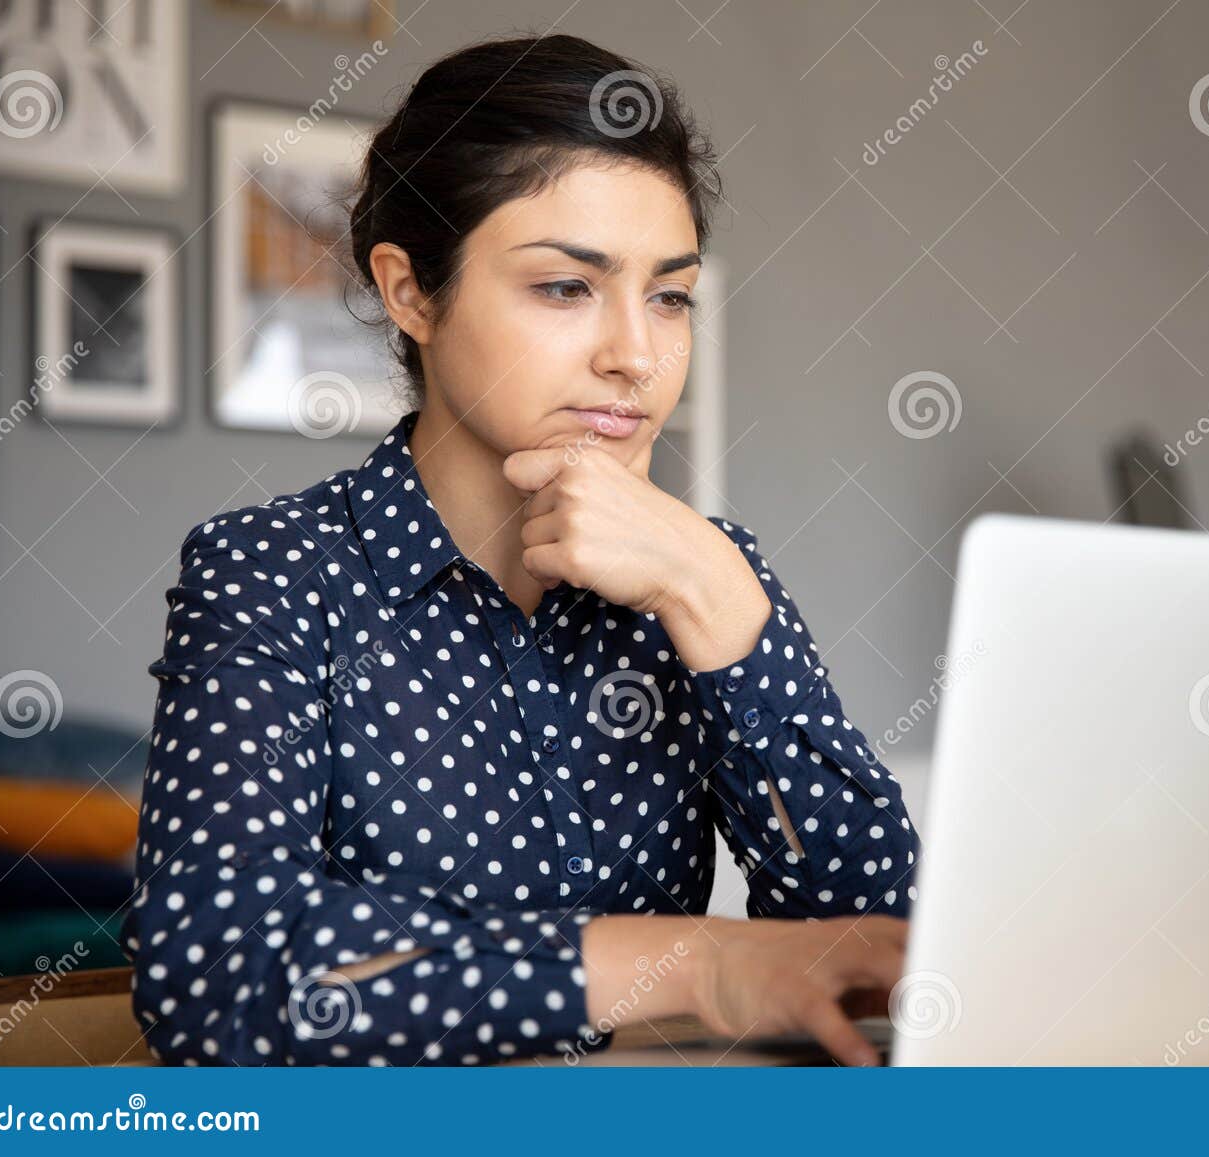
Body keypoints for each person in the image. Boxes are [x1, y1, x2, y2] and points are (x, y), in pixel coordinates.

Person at [119, 32, 919, 1067]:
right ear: (411, 291)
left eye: (668, 294)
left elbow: (874, 952)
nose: (634, 354)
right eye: (563, 287)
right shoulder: (273, 573)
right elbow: (215, 978)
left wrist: (722, 604)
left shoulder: (703, 567)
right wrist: (690, 958)